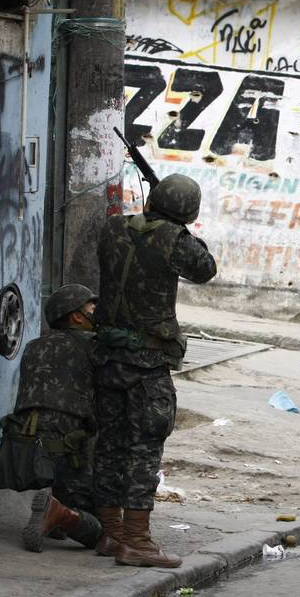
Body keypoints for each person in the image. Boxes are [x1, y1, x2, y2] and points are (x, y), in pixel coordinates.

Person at [93, 173, 217, 568]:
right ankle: (137, 541)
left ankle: (111, 532)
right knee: (144, 449)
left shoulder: (113, 227)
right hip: (147, 364)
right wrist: (177, 227)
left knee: (110, 445)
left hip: (107, 357)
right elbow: (205, 268)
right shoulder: (176, 241)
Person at [17, 284, 106, 554]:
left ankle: (57, 511)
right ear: (76, 316)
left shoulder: (33, 346)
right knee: (102, 533)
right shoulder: (93, 346)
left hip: (27, 448)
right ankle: (59, 513)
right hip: (70, 450)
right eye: (91, 307)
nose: (96, 311)